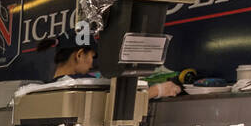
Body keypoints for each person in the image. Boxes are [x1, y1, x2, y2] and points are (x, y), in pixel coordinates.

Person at [41, 30, 179, 98]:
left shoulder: (46, 87)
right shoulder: (78, 85)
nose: (92, 63)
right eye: (92, 56)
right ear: (79, 54)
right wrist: (157, 90)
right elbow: (111, 105)